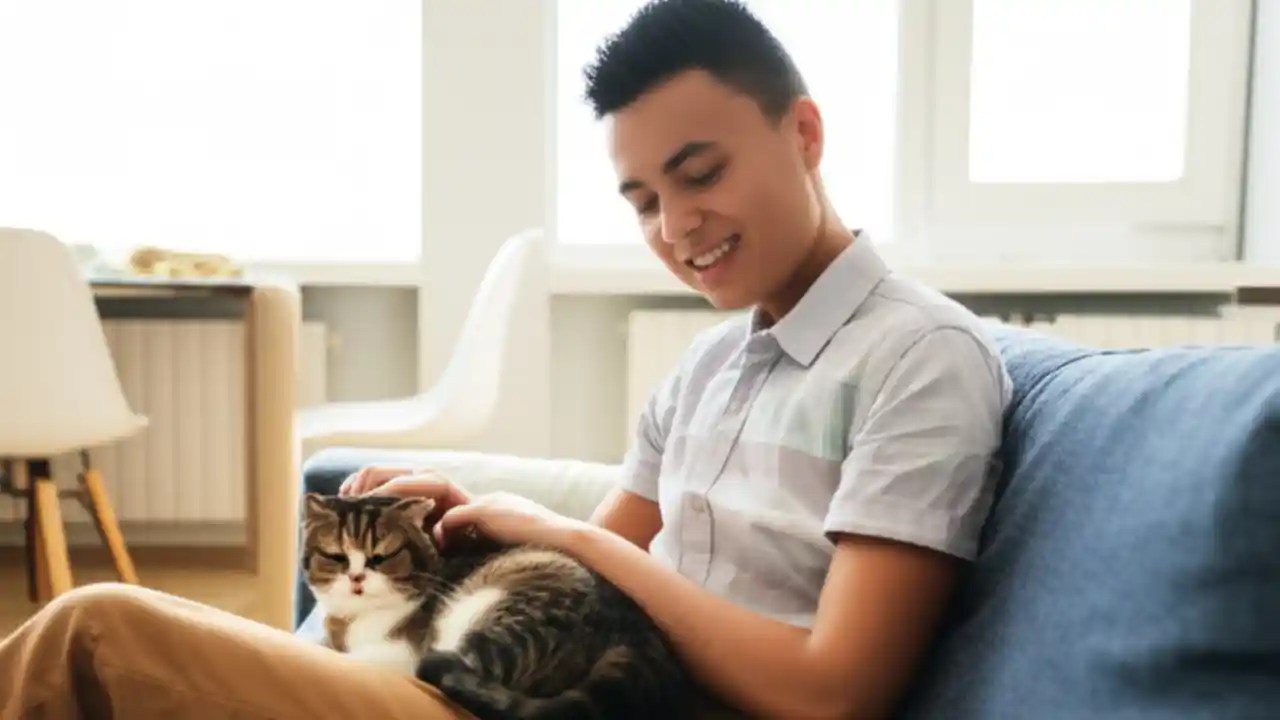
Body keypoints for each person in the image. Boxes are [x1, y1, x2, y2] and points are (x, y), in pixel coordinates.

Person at [0, 1, 1010, 718]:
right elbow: (585, 554)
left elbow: (829, 692)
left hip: (590, 705)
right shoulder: (709, 367)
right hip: (537, 677)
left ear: (803, 133)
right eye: (644, 201)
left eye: (699, 174)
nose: (676, 226)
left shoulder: (917, 359)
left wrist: (569, 538)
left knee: (94, 631)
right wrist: (457, 524)